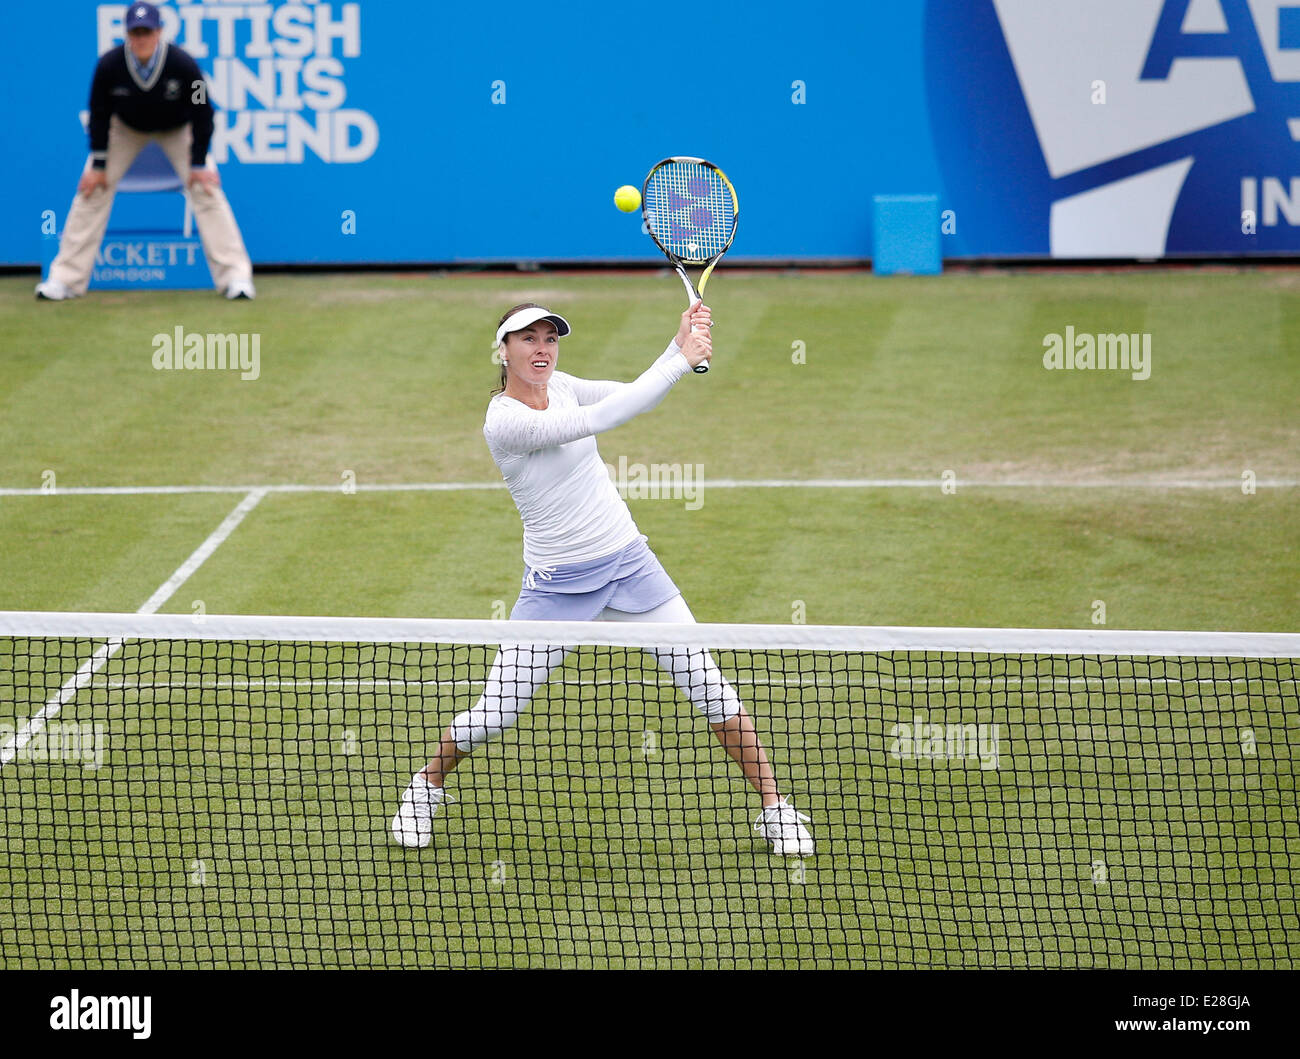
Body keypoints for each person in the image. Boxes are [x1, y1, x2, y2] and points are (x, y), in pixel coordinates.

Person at [390, 301, 815, 856]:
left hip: (629, 564)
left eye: (550, 338)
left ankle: (775, 809)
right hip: (557, 586)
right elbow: (604, 418)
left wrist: (677, 343)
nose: (541, 348)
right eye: (527, 339)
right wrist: (681, 359)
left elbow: (626, 393)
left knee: (710, 687)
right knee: (495, 714)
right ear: (504, 350)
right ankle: (424, 789)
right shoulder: (506, 419)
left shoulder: (562, 385)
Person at [36, 2, 255, 301]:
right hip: (126, 130)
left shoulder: (185, 64)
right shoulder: (109, 66)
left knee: (207, 190)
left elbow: (203, 111)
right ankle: (65, 280)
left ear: (159, 32)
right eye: (135, 32)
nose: (141, 39)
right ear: (126, 34)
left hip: (178, 130)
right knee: (92, 189)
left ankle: (236, 278)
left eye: (147, 32)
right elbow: (99, 114)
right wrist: (98, 165)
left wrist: (199, 162)